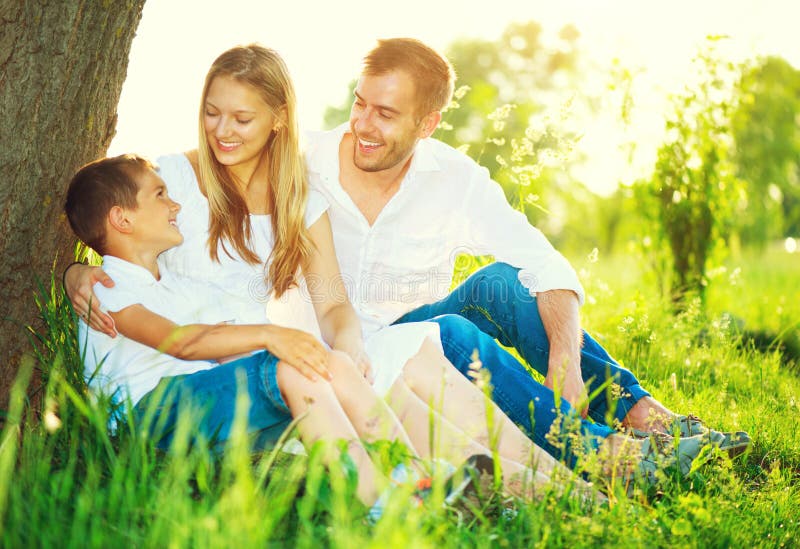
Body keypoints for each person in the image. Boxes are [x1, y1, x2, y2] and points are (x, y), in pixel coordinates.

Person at [64, 44, 709, 489]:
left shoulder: (300, 188)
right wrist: (76, 270)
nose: (222, 131)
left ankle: (602, 448)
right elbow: (117, 226)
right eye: (211, 113)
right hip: (221, 367)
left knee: (490, 297)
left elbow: (333, 301)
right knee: (441, 338)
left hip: (311, 350)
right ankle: (586, 463)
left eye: (241, 118)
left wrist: (348, 347)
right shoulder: (172, 184)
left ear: (279, 120)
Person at [298, 37, 750, 462]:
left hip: (413, 332)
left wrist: (565, 360)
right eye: (360, 103)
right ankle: (605, 453)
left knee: (502, 284)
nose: (363, 124)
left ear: (427, 124)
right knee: (447, 332)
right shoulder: (303, 163)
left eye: (385, 113)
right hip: (326, 351)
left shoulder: (454, 179)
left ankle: (648, 419)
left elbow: (545, 262)